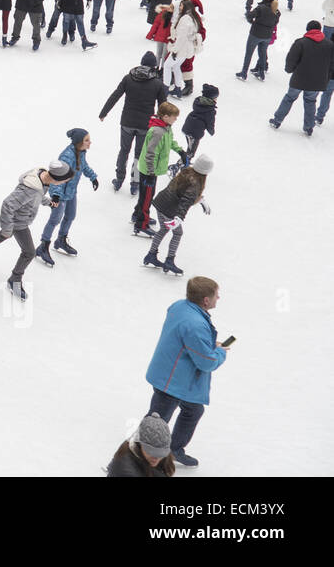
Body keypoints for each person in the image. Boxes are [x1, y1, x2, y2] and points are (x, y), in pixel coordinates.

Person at [144, 276, 228, 467]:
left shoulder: (179, 306)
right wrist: (220, 352)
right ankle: (133, 458)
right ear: (206, 300)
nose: (218, 298)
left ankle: (174, 449)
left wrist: (206, 344)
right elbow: (207, 362)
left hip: (174, 375)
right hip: (172, 382)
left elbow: (184, 338)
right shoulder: (195, 324)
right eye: (216, 295)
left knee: (193, 410)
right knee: (156, 420)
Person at [0, 161, 74, 301]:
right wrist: (8, 228)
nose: (64, 183)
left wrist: (48, 202)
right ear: (57, 179)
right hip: (19, 221)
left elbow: (36, 197)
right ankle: (15, 279)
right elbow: (8, 204)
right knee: (29, 252)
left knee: (2, 236)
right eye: (65, 180)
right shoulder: (30, 189)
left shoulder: (41, 175)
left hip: (19, 218)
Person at [99, 50, 169, 193]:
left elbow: (115, 95)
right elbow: (163, 107)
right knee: (139, 154)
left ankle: (119, 180)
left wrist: (104, 112)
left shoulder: (128, 78)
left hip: (127, 122)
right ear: (154, 67)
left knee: (124, 150)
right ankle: (135, 184)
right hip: (145, 125)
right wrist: (164, 125)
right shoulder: (157, 84)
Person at [35, 129, 99, 264]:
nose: (90, 143)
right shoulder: (67, 156)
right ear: (79, 142)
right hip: (60, 194)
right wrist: (57, 196)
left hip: (70, 191)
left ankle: (61, 240)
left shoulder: (80, 153)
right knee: (55, 220)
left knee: (70, 216)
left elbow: (84, 166)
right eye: (87, 140)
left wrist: (93, 178)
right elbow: (57, 176)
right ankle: (43, 246)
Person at [142, 156, 212, 275]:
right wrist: (179, 217)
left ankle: (151, 255)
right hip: (170, 209)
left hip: (161, 203)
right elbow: (186, 201)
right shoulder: (195, 184)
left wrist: (200, 200)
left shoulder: (186, 172)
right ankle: (169, 260)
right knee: (178, 233)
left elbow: (182, 192)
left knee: (163, 229)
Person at [269, 20, 334, 135]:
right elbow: (331, 65)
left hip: (299, 79)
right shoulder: (329, 45)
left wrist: (289, 69)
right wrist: (326, 78)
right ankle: (309, 127)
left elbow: (291, 59)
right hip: (317, 82)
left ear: (308, 29)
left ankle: (277, 120)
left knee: (289, 98)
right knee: (310, 101)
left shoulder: (301, 43)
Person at [133, 101, 185, 236]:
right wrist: (150, 173)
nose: (176, 119)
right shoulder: (158, 131)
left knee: (145, 196)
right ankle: (141, 224)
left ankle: (137, 215)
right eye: (174, 117)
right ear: (165, 116)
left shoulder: (166, 127)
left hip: (152, 170)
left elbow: (171, 141)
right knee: (147, 198)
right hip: (149, 170)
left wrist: (180, 151)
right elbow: (151, 154)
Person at [107, 414, 175, 477]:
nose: (156, 458)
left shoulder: (143, 455)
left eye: (160, 453)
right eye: (151, 451)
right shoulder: (126, 471)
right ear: (139, 444)